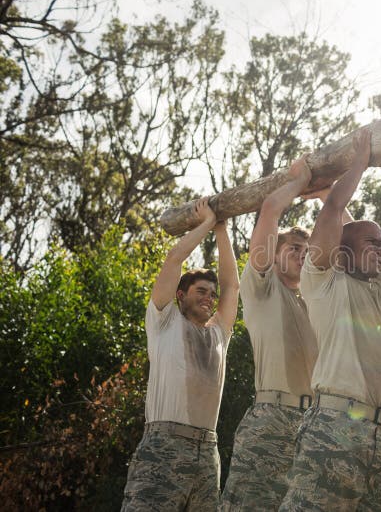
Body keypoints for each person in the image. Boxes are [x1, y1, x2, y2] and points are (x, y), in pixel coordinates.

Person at [279, 129, 381, 511]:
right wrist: (361, 159)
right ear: (343, 252)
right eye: (372, 243)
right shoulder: (322, 282)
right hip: (335, 429)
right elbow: (334, 210)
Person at [121, 198, 239, 511]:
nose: (209, 298)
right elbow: (174, 260)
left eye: (211, 295)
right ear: (180, 295)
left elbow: (232, 287)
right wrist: (204, 224)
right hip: (164, 446)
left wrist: (222, 229)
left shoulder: (218, 334)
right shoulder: (164, 321)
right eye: (201, 291)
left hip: (207, 451)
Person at [220, 156, 321, 510]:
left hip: (315, 427)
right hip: (271, 421)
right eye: (293, 249)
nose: (302, 256)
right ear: (274, 255)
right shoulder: (262, 288)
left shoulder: (314, 301)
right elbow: (269, 210)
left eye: (307, 251)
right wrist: (298, 182)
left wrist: (328, 195)